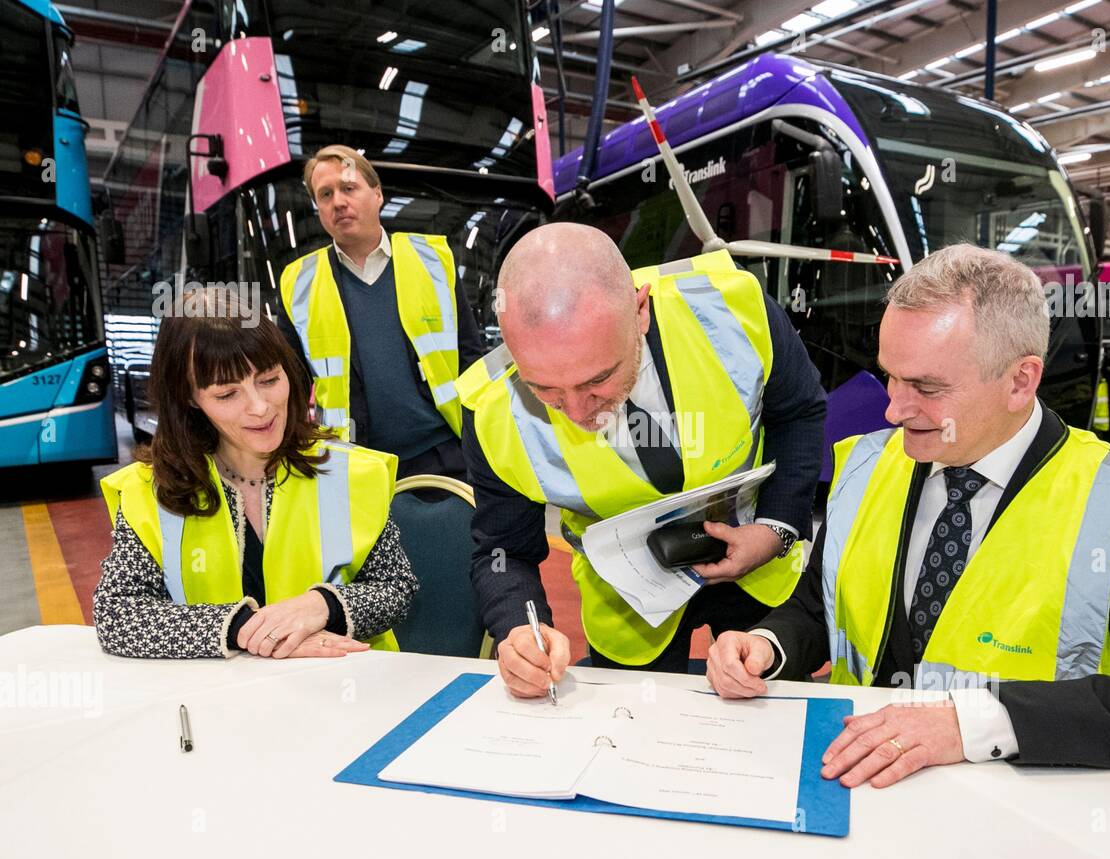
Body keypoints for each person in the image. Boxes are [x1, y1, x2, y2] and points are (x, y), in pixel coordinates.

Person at [706, 243, 1110, 785]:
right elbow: (822, 605)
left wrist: (971, 724)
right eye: (890, 376)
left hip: (1026, 819)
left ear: (1020, 381)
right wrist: (771, 644)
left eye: (926, 387)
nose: (894, 409)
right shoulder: (867, 466)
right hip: (860, 786)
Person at [457, 223, 826, 695]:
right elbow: (501, 551)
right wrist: (519, 629)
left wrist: (776, 529)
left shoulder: (733, 308)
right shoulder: (491, 410)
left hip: (757, 567)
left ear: (641, 310)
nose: (577, 412)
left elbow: (798, 411)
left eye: (598, 380)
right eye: (543, 389)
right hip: (626, 604)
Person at [94, 287, 417, 659]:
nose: (261, 408)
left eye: (268, 380)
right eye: (227, 394)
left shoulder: (349, 472)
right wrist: (251, 631)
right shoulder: (151, 491)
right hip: (214, 702)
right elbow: (117, 615)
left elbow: (396, 589)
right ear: (188, 398)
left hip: (342, 690)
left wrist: (322, 606)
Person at [277, 144, 486, 479]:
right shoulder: (298, 281)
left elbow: (471, 359)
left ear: (377, 194)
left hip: (448, 455)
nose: (339, 202)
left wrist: (481, 443)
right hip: (351, 465)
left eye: (349, 188)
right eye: (325, 194)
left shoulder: (433, 259)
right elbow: (287, 384)